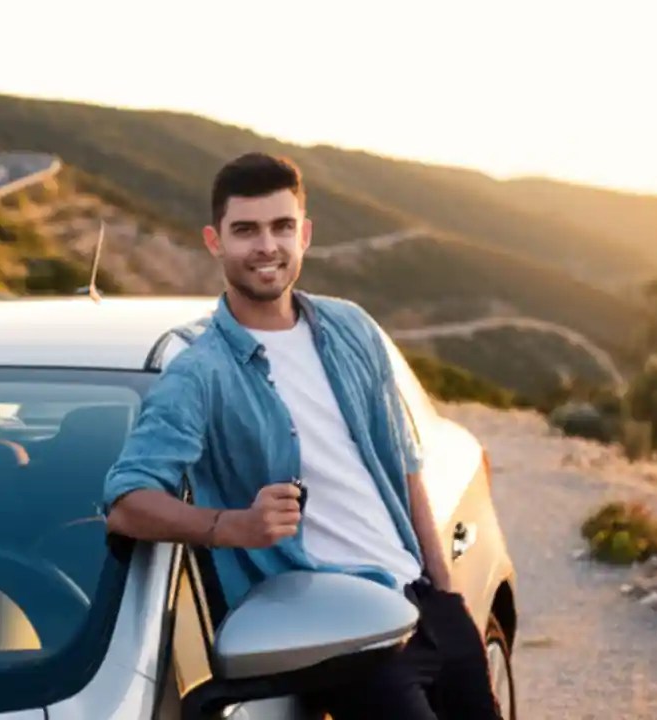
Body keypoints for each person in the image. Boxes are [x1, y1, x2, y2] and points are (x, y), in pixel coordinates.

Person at [100, 152, 503, 719]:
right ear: (215, 242)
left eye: (281, 227)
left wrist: (443, 588)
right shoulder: (200, 373)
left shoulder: (352, 328)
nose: (266, 246)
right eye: (246, 230)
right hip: (340, 632)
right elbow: (126, 502)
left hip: (426, 605)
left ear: (304, 234)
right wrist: (232, 527)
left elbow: (404, 464)